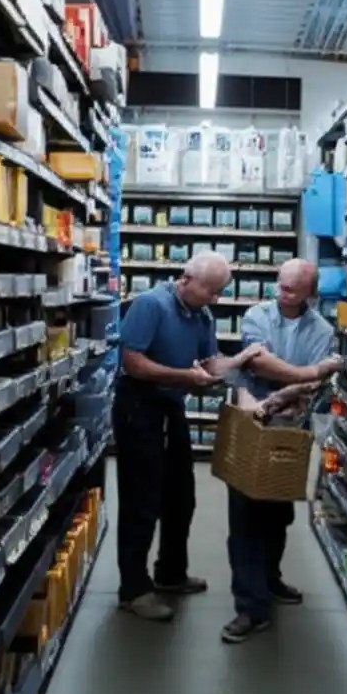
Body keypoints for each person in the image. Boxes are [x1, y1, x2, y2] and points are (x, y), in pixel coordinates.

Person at [113, 251, 266, 621]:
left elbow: (209, 362)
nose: (215, 299)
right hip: (139, 408)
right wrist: (185, 377)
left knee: (181, 496)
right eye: (211, 290)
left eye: (219, 292)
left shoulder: (202, 315)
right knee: (141, 500)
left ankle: (170, 574)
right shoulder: (150, 305)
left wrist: (239, 360)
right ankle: (133, 589)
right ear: (186, 280)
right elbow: (132, 362)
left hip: (170, 407)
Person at [221, 258, 342, 643]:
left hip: (290, 430)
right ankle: (250, 608)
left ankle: (270, 580)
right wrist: (308, 373)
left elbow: (303, 387)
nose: (281, 292)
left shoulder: (322, 329)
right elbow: (258, 362)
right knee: (244, 518)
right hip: (250, 424)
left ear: (310, 292)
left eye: (291, 288)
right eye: (280, 284)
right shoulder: (257, 314)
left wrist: (292, 387)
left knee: (278, 514)